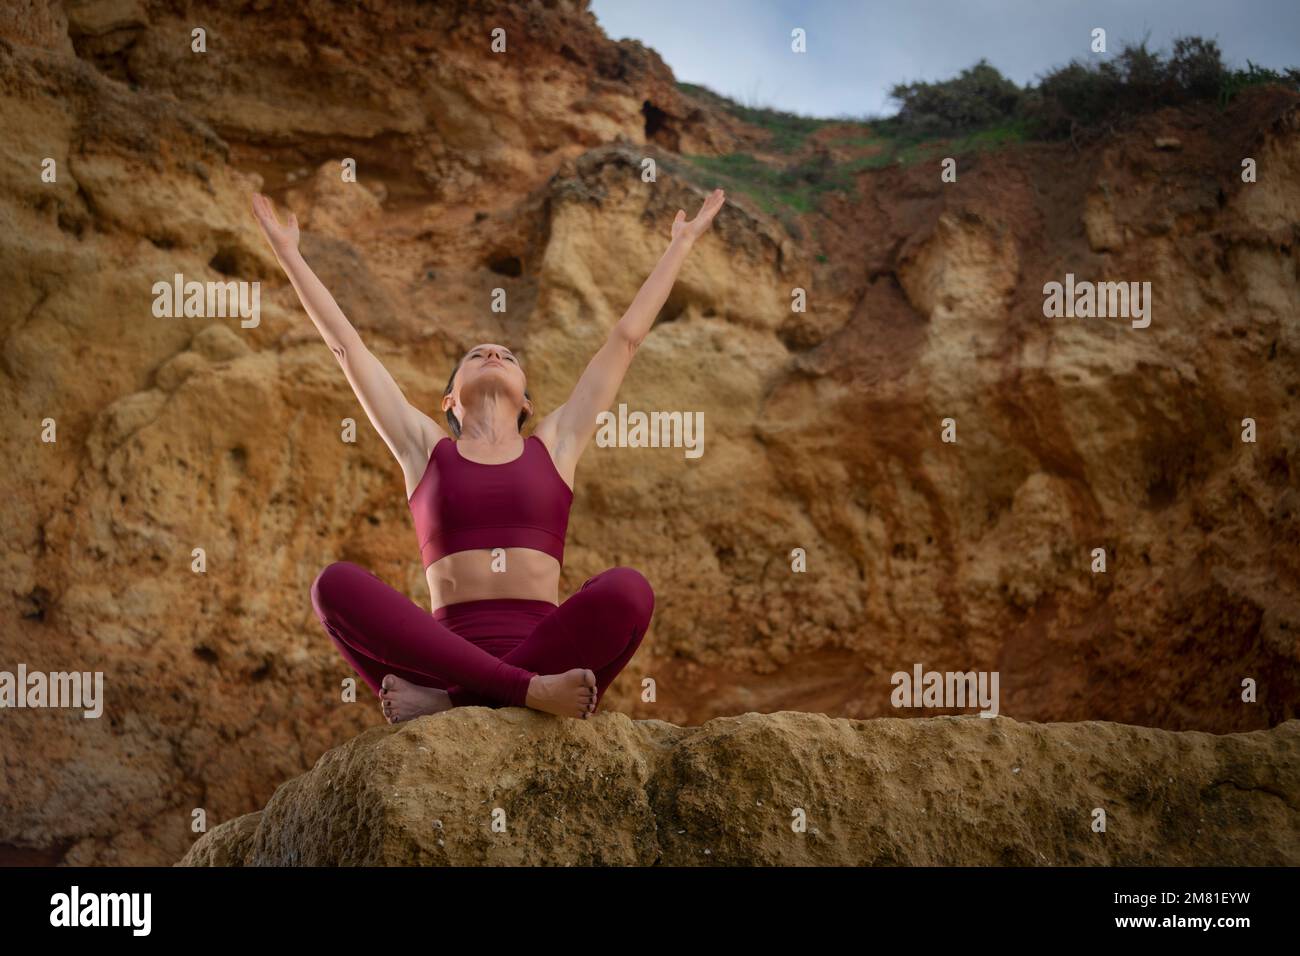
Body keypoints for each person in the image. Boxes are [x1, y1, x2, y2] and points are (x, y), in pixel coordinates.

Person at [250, 187, 726, 722]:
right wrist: (289, 253)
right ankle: (516, 694)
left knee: (630, 591)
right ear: (449, 399)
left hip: (546, 655)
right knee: (332, 587)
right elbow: (346, 347)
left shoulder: (556, 442)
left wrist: (681, 245)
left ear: (526, 400)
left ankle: (457, 704)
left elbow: (625, 340)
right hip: (444, 657)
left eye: (505, 355)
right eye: (476, 356)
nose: (492, 353)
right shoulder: (422, 447)